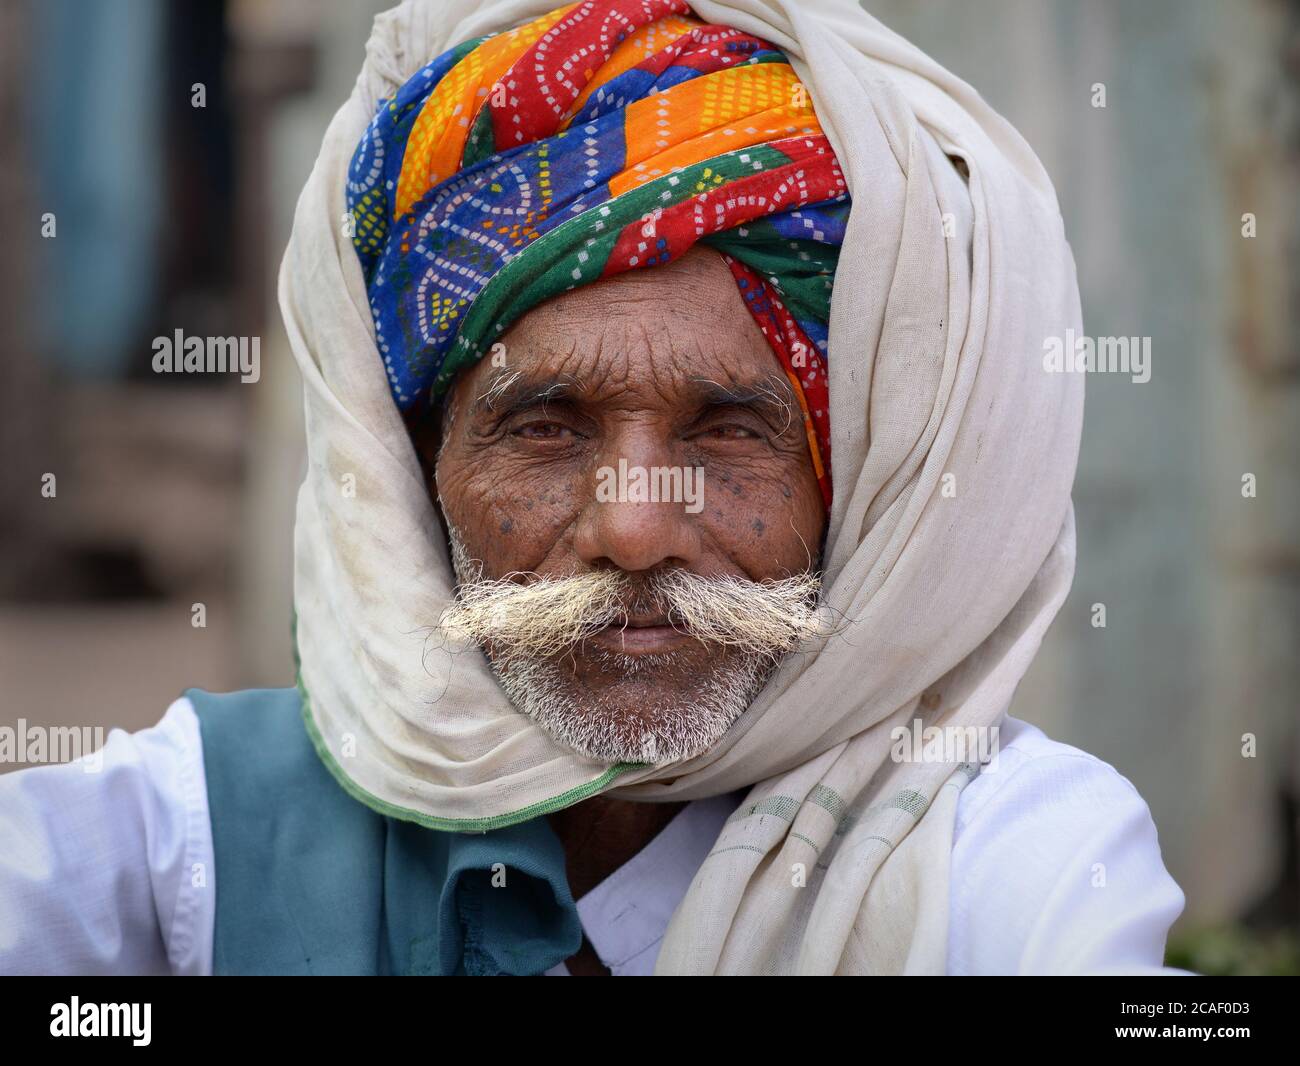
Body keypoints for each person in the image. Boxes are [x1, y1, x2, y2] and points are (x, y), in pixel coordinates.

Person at [0, 0, 1187, 976]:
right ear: (418, 464)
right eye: (544, 426)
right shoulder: (203, 832)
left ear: (856, 485)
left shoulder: (998, 854)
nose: (632, 527)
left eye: (729, 430)